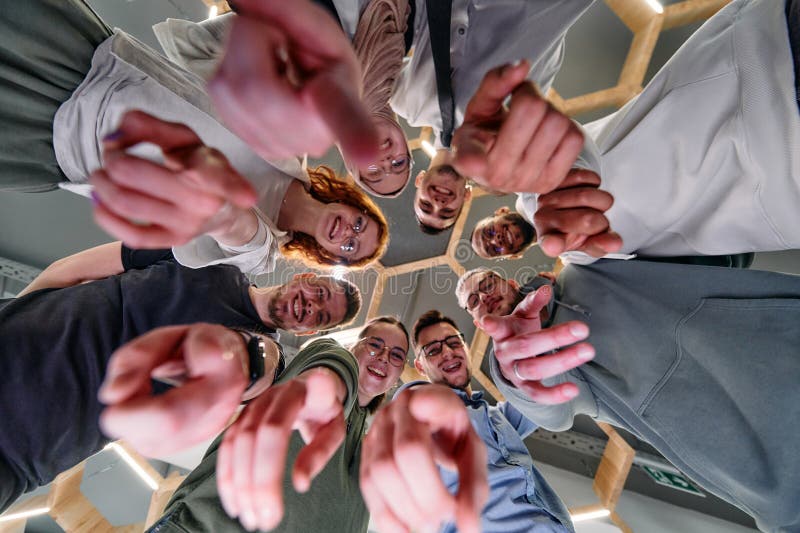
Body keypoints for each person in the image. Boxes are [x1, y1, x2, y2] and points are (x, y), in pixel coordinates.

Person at [0, 1, 388, 273]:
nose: (347, 233)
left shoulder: (262, 252)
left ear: (331, 255)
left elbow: (229, 224)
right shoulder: (288, 144)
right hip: (97, 64)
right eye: (359, 224)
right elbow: (223, 50)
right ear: (352, 204)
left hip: (67, 144)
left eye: (350, 247)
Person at [456, 264, 800, 532]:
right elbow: (553, 412)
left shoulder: (584, 272)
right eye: (474, 302)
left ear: (513, 283)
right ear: (476, 320)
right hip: (760, 456)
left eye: (487, 285)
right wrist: (519, 368)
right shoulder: (542, 369)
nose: (483, 297)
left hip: (771, 340)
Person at [474, 0, 800, 262]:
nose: (498, 240)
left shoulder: (531, 182)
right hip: (785, 189)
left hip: (766, 65)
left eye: (488, 234)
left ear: (499, 213)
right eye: (495, 249)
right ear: (513, 256)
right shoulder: (583, 261)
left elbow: (558, 151)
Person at [120, 317, 410, 532]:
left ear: (398, 375)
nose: (383, 357)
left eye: (396, 355)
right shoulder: (332, 354)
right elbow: (329, 376)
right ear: (353, 345)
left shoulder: (370, 448)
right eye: (375, 345)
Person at [361, 310, 574, 533]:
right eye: (433, 350)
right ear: (421, 367)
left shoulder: (498, 418)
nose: (447, 352)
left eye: (453, 343)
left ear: (466, 348)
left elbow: (538, 392)